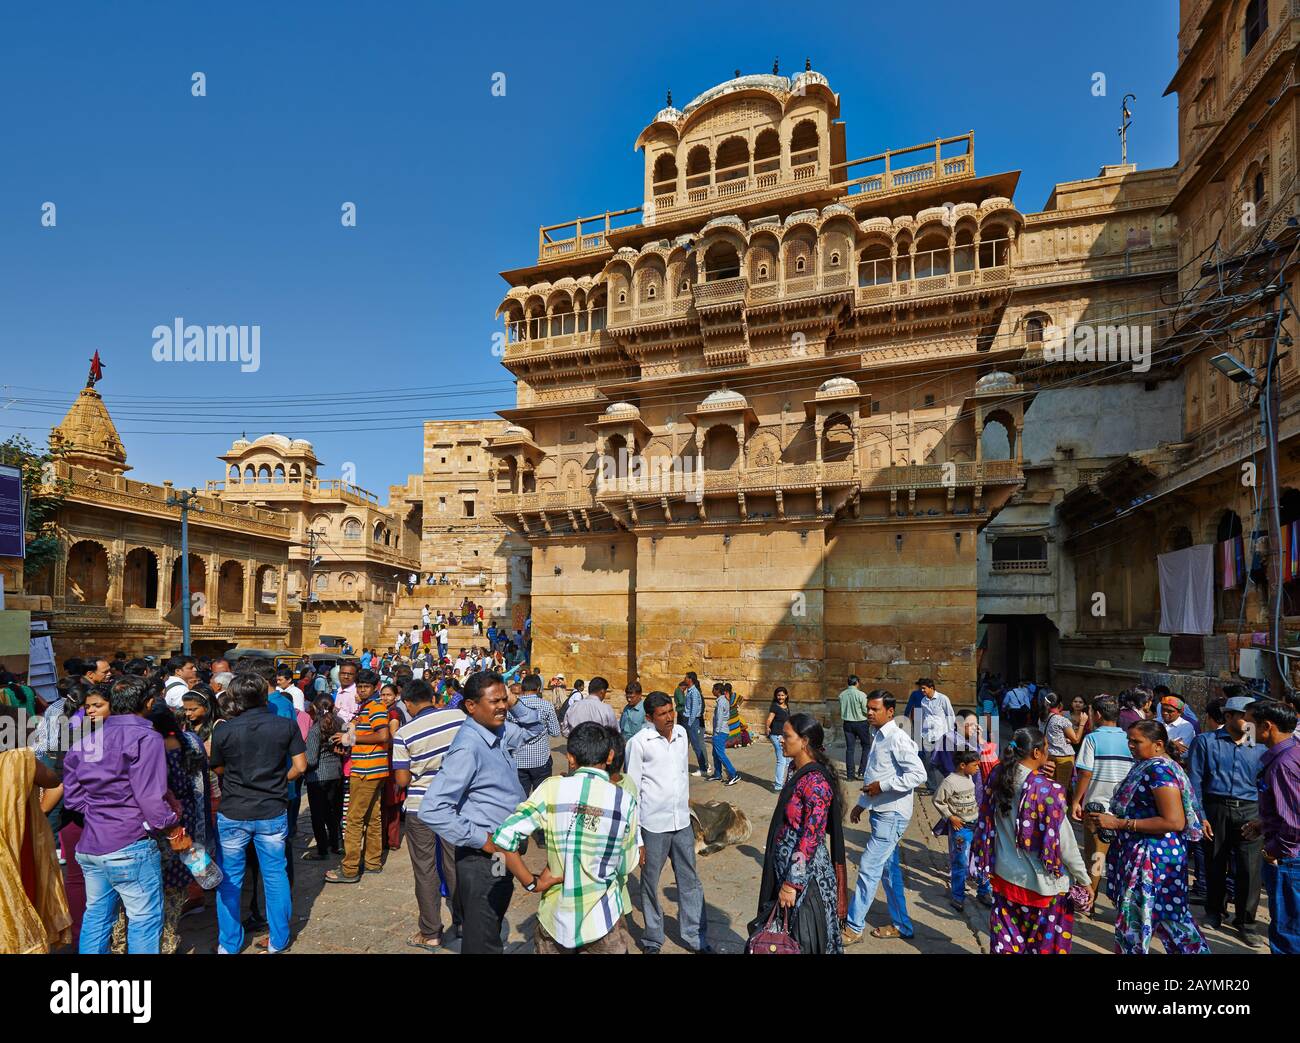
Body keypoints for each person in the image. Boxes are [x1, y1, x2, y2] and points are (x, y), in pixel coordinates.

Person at [416, 671, 543, 953]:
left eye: (503, 700)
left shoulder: (497, 731)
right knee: (482, 937)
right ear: (472, 706)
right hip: (481, 857)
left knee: (493, 916)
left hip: (500, 855)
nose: (501, 706)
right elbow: (433, 808)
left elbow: (536, 729)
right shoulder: (469, 746)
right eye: (494, 701)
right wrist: (483, 840)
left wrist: (514, 702)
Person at [493, 722, 639, 954]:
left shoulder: (552, 789)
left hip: (556, 916)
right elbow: (628, 863)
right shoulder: (624, 800)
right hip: (602, 917)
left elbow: (503, 838)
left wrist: (532, 882)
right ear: (610, 756)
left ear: (570, 758)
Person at [63, 676, 183, 954]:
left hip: (93, 845)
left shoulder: (87, 741)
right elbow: (151, 797)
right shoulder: (146, 737)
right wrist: (170, 824)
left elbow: (74, 798)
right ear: (149, 703)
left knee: (96, 916)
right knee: (143, 919)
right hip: (128, 844)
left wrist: (100, 814)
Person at [1086, 719, 1210, 955]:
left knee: (1145, 919)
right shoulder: (1147, 764)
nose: (1130, 746)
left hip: (1152, 859)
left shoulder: (1159, 770)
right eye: (1129, 741)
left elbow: (1174, 821)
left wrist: (1120, 823)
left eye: (1136, 741)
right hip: (1148, 854)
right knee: (1165, 918)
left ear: (1158, 744)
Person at [209, 673, 307, 954]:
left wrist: (240, 779)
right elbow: (300, 766)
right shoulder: (285, 725)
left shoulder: (224, 730)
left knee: (229, 878)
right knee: (275, 876)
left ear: (235, 698)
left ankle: (228, 943)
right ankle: (278, 940)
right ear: (265, 695)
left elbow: (217, 768)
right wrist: (278, 780)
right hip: (271, 809)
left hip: (234, 811)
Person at [971, 726, 1092, 953]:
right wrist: (1084, 879)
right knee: (1044, 946)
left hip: (1004, 876)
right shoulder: (1048, 790)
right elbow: (1064, 844)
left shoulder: (998, 776)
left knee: (1007, 941)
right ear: (1037, 753)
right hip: (1042, 885)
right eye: (1046, 747)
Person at [752, 713, 847, 953]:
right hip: (788, 867)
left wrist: (792, 883)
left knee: (804, 938)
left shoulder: (815, 783)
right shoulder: (796, 771)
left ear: (804, 741)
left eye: (786, 736)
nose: (781, 740)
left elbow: (811, 837)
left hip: (807, 877)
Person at [626, 691, 710, 954]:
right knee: (650, 883)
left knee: (690, 880)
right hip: (652, 826)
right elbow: (632, 791)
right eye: (662, 714)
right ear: (650, 717)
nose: (669, 717)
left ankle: (695, 936)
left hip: (682, 823)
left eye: (671, 711)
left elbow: (681, 775)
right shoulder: (639, 743)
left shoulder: (683, 734)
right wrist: (637, 838)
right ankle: (653, 938)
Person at [842, 690, 927, 943]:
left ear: (890, 712)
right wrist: (862, 804)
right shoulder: (876, 735)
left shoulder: (897, 738)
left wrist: (884, 786)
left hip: (892, 815)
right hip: (880, 812)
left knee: (868, 867)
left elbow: (918, 775)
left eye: (874, 709)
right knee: (889, 873)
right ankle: (902, 925)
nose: (869, 712)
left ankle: (854, 927)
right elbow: (874, 773)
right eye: (868, 708)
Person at [1184, 694, 1265, 944]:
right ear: (1228, 716)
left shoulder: (1261, 746)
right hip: (1215, 807)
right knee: (1214, 862)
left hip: (1250, 810)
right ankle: (1214, 911)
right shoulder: (1205, 742)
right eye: (1245, 716)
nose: (1250, 721)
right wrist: (1201, 816)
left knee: (1249, 869)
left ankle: (1246, 922)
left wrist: (1263, 817)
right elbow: (1195, 781)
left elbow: (1267, 784)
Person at [392, 679, 466, 949]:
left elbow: (401, 779)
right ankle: (462, 922)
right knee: (455, 863)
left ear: (409, 703)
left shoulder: (405, 732)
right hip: (454, 803)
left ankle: (431, 931)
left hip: (421, 807)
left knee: (425, 869)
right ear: (433, 697)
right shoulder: (459, 717)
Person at [0, 703, 72, 953]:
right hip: (17, 841)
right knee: (21, 895)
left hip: (15, 839)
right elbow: (52, 780)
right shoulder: (19, 759)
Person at [1242, 699, 1300, 954]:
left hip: (1289, 858)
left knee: (1288, 931)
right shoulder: (1292, 753)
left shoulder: (1283, 765)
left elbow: (1294, 824)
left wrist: (1274, 851)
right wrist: (1263, 823)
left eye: (1250, 724)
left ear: (1267, 726)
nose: (1246, 728)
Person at [326, 668, 390, 882]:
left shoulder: (376, 707)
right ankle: (372, 862)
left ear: (375, 687)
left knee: (353, 819)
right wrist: (347, 738)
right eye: (360, 686)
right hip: (374, 768)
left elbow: (382, 736)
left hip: (366, 769)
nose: (362, 690)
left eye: (366, 687)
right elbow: (366, 734)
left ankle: (350, 868)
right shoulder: (367, 707)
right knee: (373, 817)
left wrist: (348, 739)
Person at [1069, 695, 1133, 908]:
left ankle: (1089, 901)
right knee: (1121, 859)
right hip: (1124, 810)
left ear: (1097, 714)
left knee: (1095, 858)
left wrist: (1076, 800)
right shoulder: (1130, 739)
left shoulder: (1092, 739)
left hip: (1097, 805)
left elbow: (1085, 773)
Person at [933, 751, 984, 913]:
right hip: (961, 828)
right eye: (975, 765)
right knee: (960, 861)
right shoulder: (949, 782)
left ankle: (984, 892)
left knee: (982, 859)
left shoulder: (969, 778)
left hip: (975, 825)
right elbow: (938, 800)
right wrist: (950, 817)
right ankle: (958, 896)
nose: (978, 768)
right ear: (963, 765)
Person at [303, 696, 345, 859]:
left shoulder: (315, 730)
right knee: (333, 813)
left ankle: (322, 850)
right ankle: (337, 845)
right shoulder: (340, 722)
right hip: (336, 774)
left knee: (318, 816)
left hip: (318, 777)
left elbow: (312, 760)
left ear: (314, 708)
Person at [513, 674, 561, 797]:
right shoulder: (547, 706)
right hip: (541, 759)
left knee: (520, 798)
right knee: (541, 798)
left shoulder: (513, 707)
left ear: (522, 688)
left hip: (519, 759)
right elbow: (555, 732)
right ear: (538, 688)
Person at [917, 678, 955, 793]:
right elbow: (924, 716)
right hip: (927, 735)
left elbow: (950, 715)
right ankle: (932, 787)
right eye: (921, 688)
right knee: (928, 762)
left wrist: (950, 733)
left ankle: (950, 786)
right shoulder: (923, 701)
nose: (922, 690)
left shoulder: (943, 699)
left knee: (944, 762)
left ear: (931, 688)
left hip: (941, 735)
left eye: (924, 688)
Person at [838, 675, 870, 781]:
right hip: (861, 722)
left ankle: (850, 775)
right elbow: (865, 710)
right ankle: (862, 772)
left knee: (850, 749)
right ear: (857, 683)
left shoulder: (842, 695)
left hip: (847, 723)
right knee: (866, 746)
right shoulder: (861, 695)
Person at [679, 671, 710, 778]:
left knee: (696, 746)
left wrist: (690, 723)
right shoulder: (690, 691)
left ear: (690, 679)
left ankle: (703, 768)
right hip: (687, 720)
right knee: (683, 744)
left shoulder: (694, 692)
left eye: (686, 677)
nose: (684, 679)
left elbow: (694, 709)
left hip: (691, 721)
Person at [1042, 691, 1076, 785]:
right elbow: (1075, 739)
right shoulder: (1061, 720)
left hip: (1049, 755)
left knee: (1049, 784)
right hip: (1064, 757)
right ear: (1060, 705)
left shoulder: (1042, 718)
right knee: (1062, 786)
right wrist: (1083, 723)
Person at [709, 682, 739, 785]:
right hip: (721, 730)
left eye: (713, 689)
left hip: (720, 731)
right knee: (715, 753)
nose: (712, 691)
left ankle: (734, 774)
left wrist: (716, 732)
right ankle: (717, 774)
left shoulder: (721, 702)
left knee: (720, 754)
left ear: (717, 690)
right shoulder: (722, 700)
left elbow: (720, 718)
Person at [765, 686, 792, 792]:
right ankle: (778, 785)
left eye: (782, 695)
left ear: (786, 696)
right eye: (778, 695)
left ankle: (788, 781)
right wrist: (767, 727)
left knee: (789, 760)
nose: (780, 697)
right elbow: (769, 719)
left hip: (785, 736)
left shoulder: (786, 706)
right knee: (781, 760)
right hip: (776, 735)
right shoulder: (775, 707)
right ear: (776, 696)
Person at [1159, 696, 1197, 764]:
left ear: (1179, 712)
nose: (1165, 713)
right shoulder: (1156, 721)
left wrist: (1157, 743)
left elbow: (1178, 752)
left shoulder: (1186, 727)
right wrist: (1171, 742)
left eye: (1170, 711)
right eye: (1163, 709)